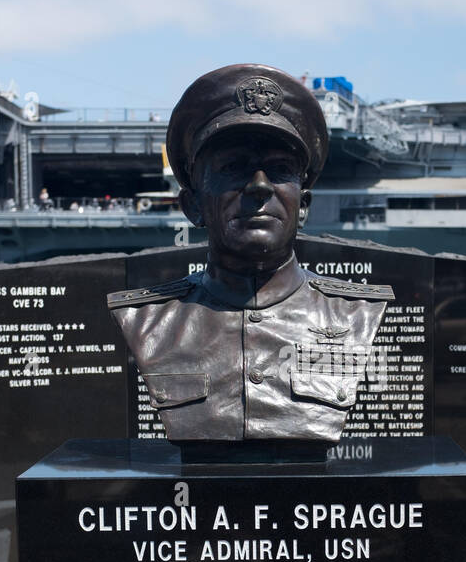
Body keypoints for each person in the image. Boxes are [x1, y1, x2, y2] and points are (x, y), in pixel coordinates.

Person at [108, 64, 393, 443]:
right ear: (192, 206)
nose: (259, 186)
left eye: (279, 170)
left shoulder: (356, 313)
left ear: (303, 206)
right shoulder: (146, 321)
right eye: (233, 168)